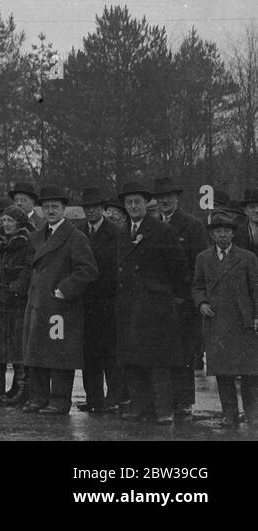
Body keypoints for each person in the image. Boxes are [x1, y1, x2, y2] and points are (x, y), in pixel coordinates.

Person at [115, 178, 190, 425]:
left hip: (155, 306)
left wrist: (170, 298)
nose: (134, 206)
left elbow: (179, 268)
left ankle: (163, 410)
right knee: (132, 359)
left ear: (147, 204)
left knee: (158, 361)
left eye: (138, 201)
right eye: (129, 202)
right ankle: (139, 406)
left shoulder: (161, 231)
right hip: (129, 305)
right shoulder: (122, 232)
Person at [19, 185, 97, 416]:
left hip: (61, 308)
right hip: (37, 304)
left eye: (55, 207)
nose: (51, 211)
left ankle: (60, 401)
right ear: (42, 210)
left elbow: (88, 270)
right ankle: (38, 398)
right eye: (47, 207)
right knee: (36, 353)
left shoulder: (75, 237)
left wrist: (64, 290)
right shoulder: (36, 236)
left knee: (59, 355)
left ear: (64, 209)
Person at [192, 211, 258, 428]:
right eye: (218, 231)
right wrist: (202, 303)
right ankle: (229, 414)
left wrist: (256, 317)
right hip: (217, 322)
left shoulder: (247, 258)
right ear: (212, 235)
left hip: (242, 322)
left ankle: (252, 414)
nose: (223, 235)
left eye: (227, 231)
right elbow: (197, 286)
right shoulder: (203, 258)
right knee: (223, 372)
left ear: (233, 234)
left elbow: (255, 290)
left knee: (249, 373)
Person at [153, 175, 210, 420]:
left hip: (182, 301)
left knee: (184, 353)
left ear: (177, 198)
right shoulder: (151, 224)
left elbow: (198, 265)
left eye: (169, 196)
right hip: (156, 300)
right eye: (161, 197)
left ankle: (184, 402)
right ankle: (163, 401)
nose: (165, 201)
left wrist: (186, 296)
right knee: (160, 352)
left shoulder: (192, 225)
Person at [75, 186, 120, 414]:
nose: (90, 212)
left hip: (107, 301)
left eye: (94, 208)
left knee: (110, 353)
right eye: (87, 208)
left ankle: (114, 398)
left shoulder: (116, 232)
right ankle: (94, 399)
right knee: (88, 354)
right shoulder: (78, 231)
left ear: (102, 209)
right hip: (85, 302)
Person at [0, 204, 32, 404]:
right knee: (0, 345)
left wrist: (13, 289)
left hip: (19, 302)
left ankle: (21, 387)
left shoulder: (28, 242)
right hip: (1, 301)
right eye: (3, 220)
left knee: (18, 347)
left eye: (10, 220)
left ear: (19, 223)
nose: (5, 224)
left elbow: (28, 270)